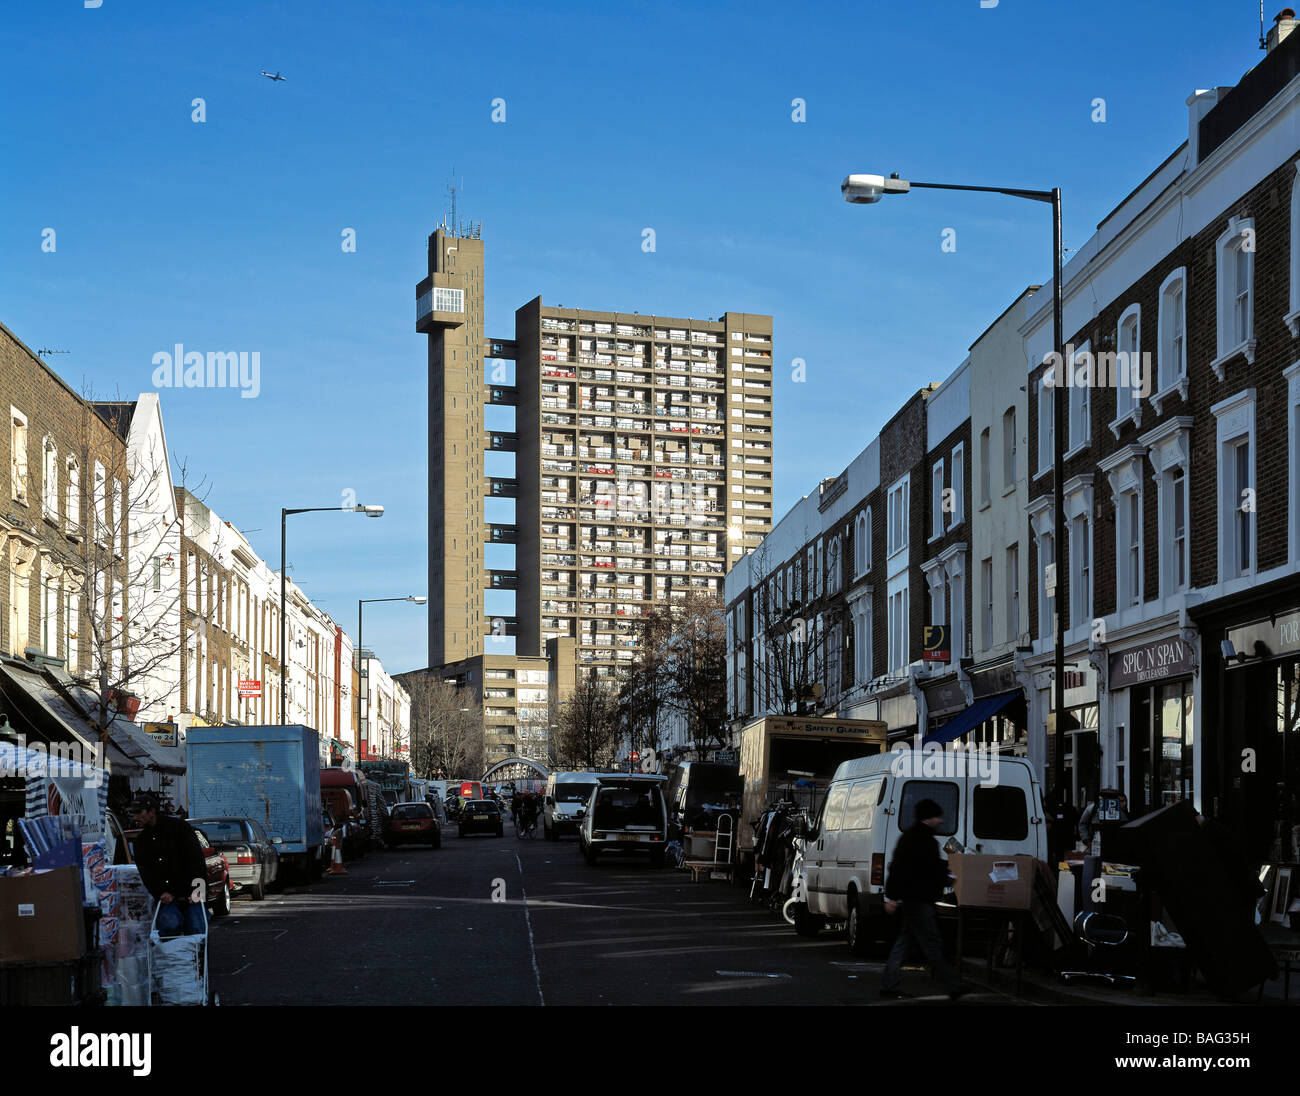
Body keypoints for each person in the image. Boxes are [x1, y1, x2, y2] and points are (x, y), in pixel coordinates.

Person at [880, 799, 967, 1001]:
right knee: (932, 944)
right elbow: (928, 868)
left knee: (903, 943)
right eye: (938, 816)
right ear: (930, 817)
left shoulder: (909, 838)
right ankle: (953, 985)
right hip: (920, 901)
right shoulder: (926, 841)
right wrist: (947, 876)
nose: (941, 820)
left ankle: (889, 984)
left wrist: (892, 897)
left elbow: (897, 868)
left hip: (911, 900)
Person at [130, 791, 208, 937]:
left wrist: (199, 890)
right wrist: (160, 892)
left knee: (198, 933)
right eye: (133, 814)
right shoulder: (141, 841)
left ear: (152, 811)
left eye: (139, 812)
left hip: (190, 894)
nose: (135, 817)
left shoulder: (180, 828)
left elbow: (196, 861)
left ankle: (197, 959)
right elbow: (146, 872)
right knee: (169, 929)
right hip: (168, 898)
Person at [1044, 787, 1079, 866]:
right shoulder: (1070, 808)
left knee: (1057, 858)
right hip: (1067, 839)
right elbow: (1077, 822)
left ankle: (1059, 871)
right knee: (1065, 858)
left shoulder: (1049, 809)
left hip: (1056, 839)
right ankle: (1065, 870)